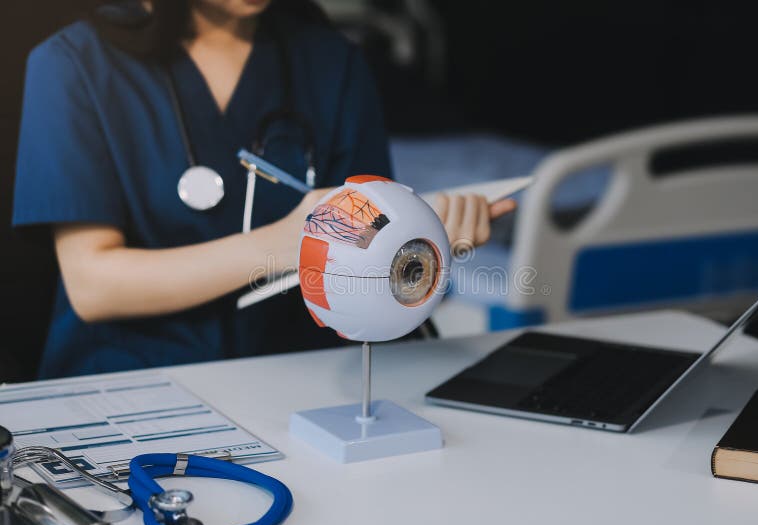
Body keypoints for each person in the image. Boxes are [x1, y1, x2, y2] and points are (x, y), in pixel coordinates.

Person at [13, 0, 516, 379]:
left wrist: (422, 249)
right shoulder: (72, 65)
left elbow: (366, 258)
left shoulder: (332, 63)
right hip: (131, 378)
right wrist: (289, 240)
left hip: (299, 375)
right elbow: (95, 286)